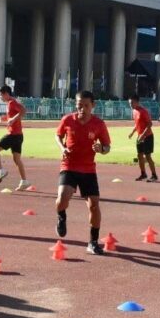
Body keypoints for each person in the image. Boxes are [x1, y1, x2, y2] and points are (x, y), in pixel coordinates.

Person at [54, 90, 113, 254]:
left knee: (94, 205)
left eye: (86, 105)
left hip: (88, 169)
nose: (82, 109)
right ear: (76, 104)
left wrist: (101, 148)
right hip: (69, 166)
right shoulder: (67, 120)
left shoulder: (99, 124)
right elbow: (58, 136)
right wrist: (62, 147)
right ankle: (61, 216)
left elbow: (107, 147)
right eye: (80, 105)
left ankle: (93, 242)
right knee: (61, 200)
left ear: (92, 106)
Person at [0, 85, 29, 190]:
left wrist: (12, 119)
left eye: (0, 95)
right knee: (17, 159)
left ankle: (1, 170)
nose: (0, 97)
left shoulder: (12, 102)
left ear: (6, 94)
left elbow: (23, 110)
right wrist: (7, 118)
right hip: (19, 135)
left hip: (13, 135)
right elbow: (16, 114)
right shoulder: (10, 103)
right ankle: (24, 181)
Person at [128, 94, 158, 181]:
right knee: (139, 155)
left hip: (148, 136)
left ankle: (154, 175)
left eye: (132, 103)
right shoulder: (134, 111)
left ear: (137, 102)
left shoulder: (143, 111)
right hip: (139, 136)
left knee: (148, 156)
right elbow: (137, 124)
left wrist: (142, 135)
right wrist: (132, 132)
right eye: (129, 103)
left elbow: (150, 124)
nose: (131, 105)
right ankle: (143, 174)